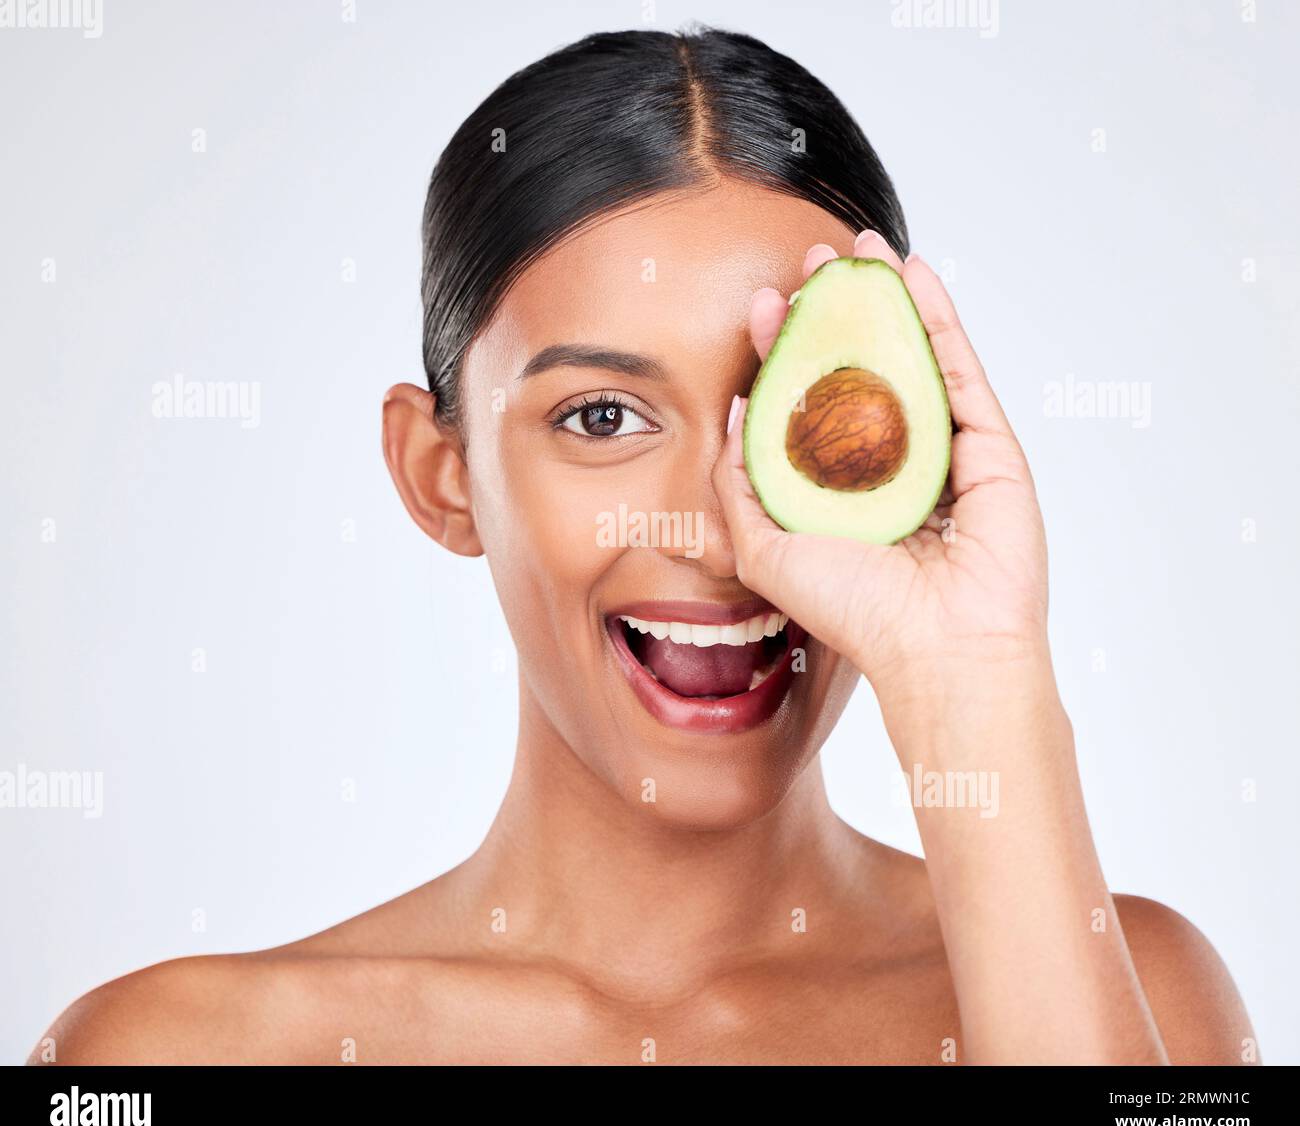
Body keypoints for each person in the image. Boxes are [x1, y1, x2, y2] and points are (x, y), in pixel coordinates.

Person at [31, 26, 1255, 1065]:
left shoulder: (1141, 999)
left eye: (795, 405)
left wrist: (978, 684)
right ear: (440, 476)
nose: (719, 530)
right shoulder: (179, 1053)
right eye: (601, 417)